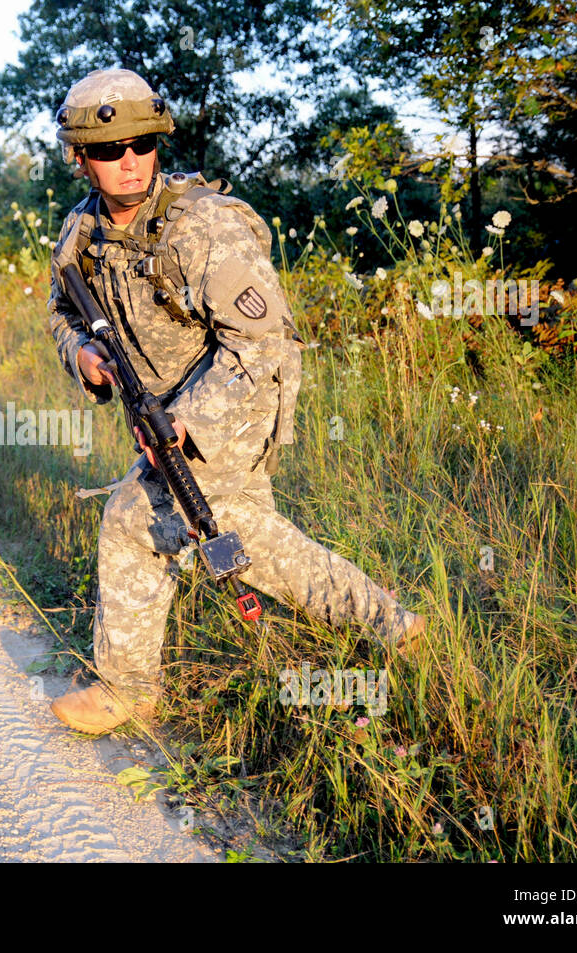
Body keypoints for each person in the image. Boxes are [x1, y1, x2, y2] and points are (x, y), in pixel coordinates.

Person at [45, 69, 426, 735]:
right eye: (108, 150)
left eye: (140, 143)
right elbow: (61, 313)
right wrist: (81, 355)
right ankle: (390, 624)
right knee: (253, 538)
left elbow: (261, 344)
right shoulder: (81, 236)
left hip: (239, 398)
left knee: (133, 517)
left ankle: (130, 688)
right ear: (80, 157)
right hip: (162, 411)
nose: (128, 160)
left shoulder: (203, 229)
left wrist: (192, 421)